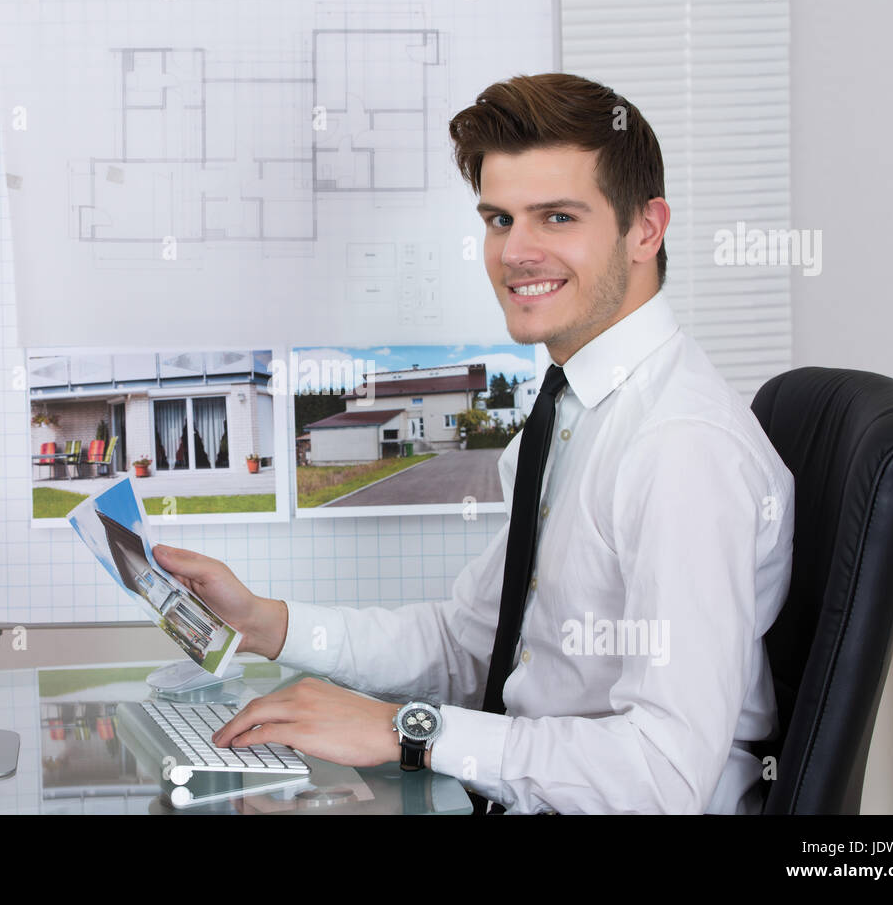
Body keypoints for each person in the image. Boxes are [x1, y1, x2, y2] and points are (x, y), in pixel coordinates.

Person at [153, 72, 794, 814]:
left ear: (645, 228)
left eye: (556, 217)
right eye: (499, 219)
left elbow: (664, 773)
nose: (515, 252)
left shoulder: (681, 449)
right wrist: (273, 624)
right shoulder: (568, 413)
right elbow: (470, 643)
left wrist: (409, 731)